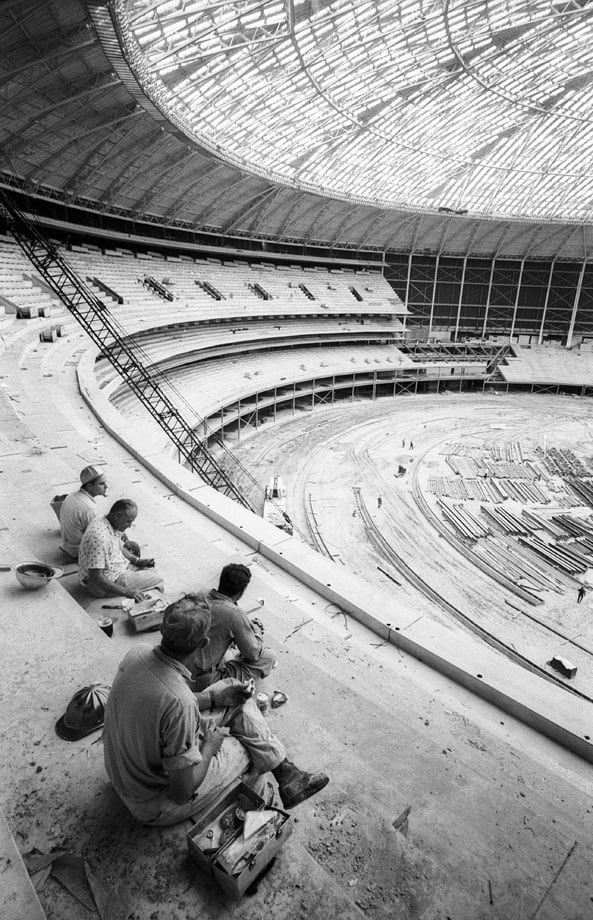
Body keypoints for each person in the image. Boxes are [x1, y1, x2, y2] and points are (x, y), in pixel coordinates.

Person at [102, 597, 329, 826]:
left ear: (162, 628)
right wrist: (210, 746)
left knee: (232, 693)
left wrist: (213, 698)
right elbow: (181, 793)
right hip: (152, 805)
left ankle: (287, 773)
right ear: (204, 644)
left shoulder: (137, 653)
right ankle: (255, 806)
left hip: (122, 776)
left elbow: (164, 705)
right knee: (247, 744)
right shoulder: (181, 703)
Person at [189, 564, 276, 692]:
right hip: (202, 681)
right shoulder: (235, 615)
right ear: (241, 591)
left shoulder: (201, 594)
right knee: (269, 657)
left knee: (230, 648)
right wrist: (257, 632)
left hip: (183, 661)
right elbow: (253, 654)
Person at [78, 498, 163, 600]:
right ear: (118, 515)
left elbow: (118, 546)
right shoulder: (99, 538)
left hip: (116, 568)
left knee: (149, 568)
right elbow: (96, 577)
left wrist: (137, 561)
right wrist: (126, 592)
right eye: (128, 521)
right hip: (103, 583)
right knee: (158, 580)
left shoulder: (105, 520)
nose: (129, 525)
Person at [58, 466, 108, 559]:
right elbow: (97, 539)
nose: (106, 486)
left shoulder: (72, 495)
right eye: (101, 484)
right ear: (89, 486)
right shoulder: (89, 508)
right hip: (77, 551)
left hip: (66, 544)